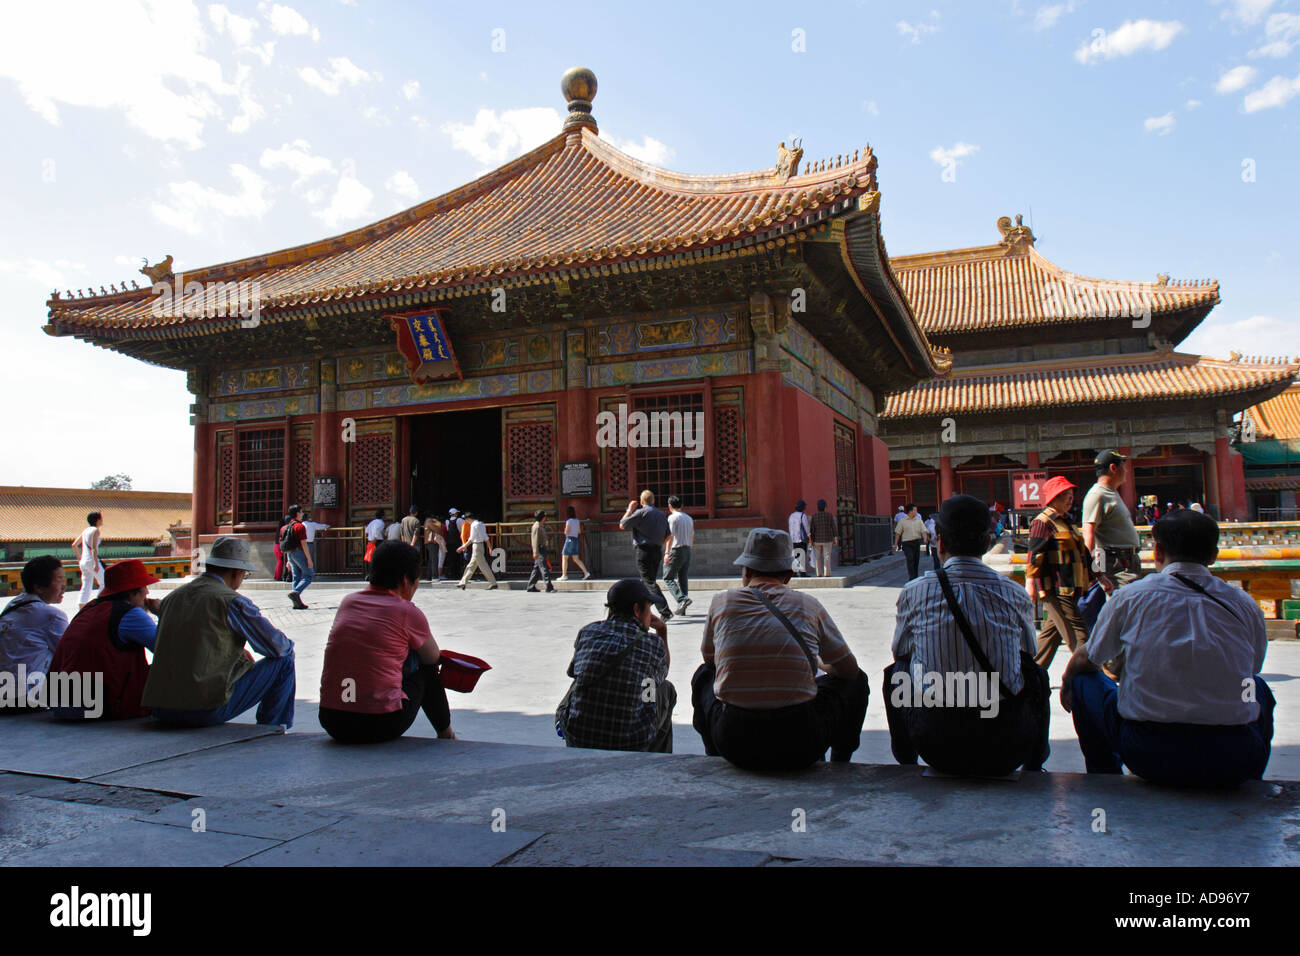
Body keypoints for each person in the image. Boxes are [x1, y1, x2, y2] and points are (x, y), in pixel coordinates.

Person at [1062, 509, 1272, 788]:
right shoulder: (1244, 604)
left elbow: (1089, 658)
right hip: (1233, 756)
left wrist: (1066, 681)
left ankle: (1105, 778)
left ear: (1157, 551)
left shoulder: (1131, 596)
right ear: (1213, 555)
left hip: (1148, 752)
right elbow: (1252, 666)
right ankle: (1253, 781)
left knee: (1084, 682)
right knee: (1259, 688)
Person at [885, 495, 1049, 776]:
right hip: (1006, 745)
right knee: (1037, 674)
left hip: (937, 744)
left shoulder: (915, 591)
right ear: (987, 543)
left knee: (896, 673)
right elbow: (1028, 654)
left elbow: (900, 652)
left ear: (940, 542)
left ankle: (907, 762)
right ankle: (1035, 764)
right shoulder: (1014, 593)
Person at [691, 528, 870, 771]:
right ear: (788, 575)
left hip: (734, 742)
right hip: (800, 744)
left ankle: (713, 753)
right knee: (858, 681)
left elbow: (710, 659)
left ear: (746, 571)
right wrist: (817, 662)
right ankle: (841, 761)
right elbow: (849, 671)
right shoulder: (809, 605)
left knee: (703, 675)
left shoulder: (721, 602)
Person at [142, 536, 296, 729]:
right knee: (284, 661)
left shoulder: (173, 597)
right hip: (202, 709)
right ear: (236, 572)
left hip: (161, 708)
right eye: (244, 574)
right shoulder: (232, 601)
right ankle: (272, 727)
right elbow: (277, 647)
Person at [318, 542, 456, 744]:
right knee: (427, 670)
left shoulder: (348, 602)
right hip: (380, 722)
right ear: (404, 580)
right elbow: (432, 656)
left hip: (333, 719)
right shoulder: (407, 611)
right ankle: (446, 734)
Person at [558, 579, 674, 752]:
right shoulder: (652, 643)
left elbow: (573, 671)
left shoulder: (588, 632)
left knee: (580, 681)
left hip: (578, 735)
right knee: (664, 689)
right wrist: (662, 632)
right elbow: (662, 672)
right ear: (637, 609)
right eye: (649, 608)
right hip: (630, 740)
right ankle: (656, 762)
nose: (650, 614)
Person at [48, 559, 160, 720]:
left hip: (61, 701)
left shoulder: (90, 607)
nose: (147, 593)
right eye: (144, 587)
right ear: (133, 591)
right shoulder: (131, 614)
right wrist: (163, 614)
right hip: (96, 704)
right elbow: (168, 649)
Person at [1025, 476, 1093, 668]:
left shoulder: (1067, 522)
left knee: (1051, 634)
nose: (1070, 500)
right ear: (1053, 497)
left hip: (1072, 587)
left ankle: (1030, 673)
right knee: (1079, 636)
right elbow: (1035, 555)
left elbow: (1084, 554)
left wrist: (1100, 575)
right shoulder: (1043, 522)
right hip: (1057, 588)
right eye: (1065, 495)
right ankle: (1094, 676)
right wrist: (1030, 583)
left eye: (1071, 496)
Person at [0, 556, 69, 710]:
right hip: (22, 697)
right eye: (59, 580)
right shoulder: (52, 615)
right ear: (39, 588)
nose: (64, 586)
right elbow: (69, 655)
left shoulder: (13, 604)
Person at [1083, 450, 1141, 596]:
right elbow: (1088, 534)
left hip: (1127, 561)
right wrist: (1093, 571)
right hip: (1114, 564)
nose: (1126, 470)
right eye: (1123, 466)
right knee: (1123, 608)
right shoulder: (1097, 494)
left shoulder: (1111, 492)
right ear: (1113, 468)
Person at [619, 491, 672, 620]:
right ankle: (642, 610)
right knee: (647, 582)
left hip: (643, 550)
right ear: (653, 501)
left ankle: (665, 611)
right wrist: (660, 543)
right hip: (656, 550)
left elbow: (622, 525)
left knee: (648, 582)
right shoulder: (661, 514)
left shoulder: (640, 513)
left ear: (642, 501)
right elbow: (669, 535)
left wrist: (629, 510)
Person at [662, 496, 694, 614]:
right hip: (687, 549)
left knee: (668, 578)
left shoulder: (672, 518)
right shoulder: (689, 518)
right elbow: (692, 535)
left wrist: (667, 552)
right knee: (683, 578)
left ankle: (682, 599)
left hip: (676, 550)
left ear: (670, 506)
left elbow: (670, 536)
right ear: (681, 505)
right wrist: (690, 548)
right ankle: (683, 608)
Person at [282, 504, 314, 610]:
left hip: (290, 553)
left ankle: (297, 602)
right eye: (301, 512)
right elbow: (304, 543)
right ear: (297, 514)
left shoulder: (288, 526)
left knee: (296, 576)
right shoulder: (300, 526)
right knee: (308, 575)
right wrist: (309, 559)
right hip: (299, 552)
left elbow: (287, 543)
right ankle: (295, 592)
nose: (302, 514)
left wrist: (288, 560)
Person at [455, 512, 498, 589]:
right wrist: (489, 547)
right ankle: (463, 582)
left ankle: (493, 583)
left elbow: (471, 538)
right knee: (471, 565)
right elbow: (486, 537)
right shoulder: (481, 524)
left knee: (483, 566)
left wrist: (463, 546)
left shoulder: (474, 525)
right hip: (480, 546)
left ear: (468, 519)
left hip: (476, 546)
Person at [71, 511, 105, 608]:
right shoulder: (95, 530)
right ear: (98, 520)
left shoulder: (85, 531)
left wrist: (79, 558)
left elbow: (74, 545)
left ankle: (81, 609)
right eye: (101, 518)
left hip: (83, 562)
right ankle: (98, 604)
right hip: (91, 560)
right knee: (105, 583)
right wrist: (95, 563)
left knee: (86, 586)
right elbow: (94, 548)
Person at [893, 503, 929, 581]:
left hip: (916, 542)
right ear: (910, 511)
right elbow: (898, 533)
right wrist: (895, 544)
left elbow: (923, 531)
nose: (916, 512)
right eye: (915, 510)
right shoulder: (903, 521)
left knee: (916, 560)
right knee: (910, 558)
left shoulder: (919, 520)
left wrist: (925, 538)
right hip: (906, 543)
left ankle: (915, 576)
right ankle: (911, 577)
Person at [556, 506, 591, 582]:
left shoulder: (569, 521)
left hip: (569, 539)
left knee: (564, 557)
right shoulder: (577, 521)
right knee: (576, 558)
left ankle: (564, 575)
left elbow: (566, 532)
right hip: (576, 539)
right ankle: (586, 572)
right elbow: (579, 532)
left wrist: (565, 530)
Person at [526, 510, 556, 593]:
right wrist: (535, 552)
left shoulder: (540, 525)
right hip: (539, 549)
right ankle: (549, 587)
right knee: (544, 568)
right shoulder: (537, 526)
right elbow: (534, 540)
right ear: (542, 517)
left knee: (536, 569)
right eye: (545, 516)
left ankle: (531, 586)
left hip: (542, 549)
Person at [808, 499, 838, 577]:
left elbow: (812, 530)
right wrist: (835, 538)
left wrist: (811, 540)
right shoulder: (829, 515)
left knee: (817, 557)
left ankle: (819, 573)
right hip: (828, 539)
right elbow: (833, 528)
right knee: (827, 556)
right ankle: (827, 573)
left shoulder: (814, 517)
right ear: (825, 507)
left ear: (817, 507)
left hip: (816, 540)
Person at [787, 500, 812, 576]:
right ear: (803, 507)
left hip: (793, 539)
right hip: (801, 539)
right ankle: (802, 573)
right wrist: (810, 538)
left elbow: (790, 527)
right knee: (802, 556)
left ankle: (794, 573)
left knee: (795, 556)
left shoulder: (791, 516)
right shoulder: (803, 516)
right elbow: (807, 528)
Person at [423, 513, 446, 581]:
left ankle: (429, 576)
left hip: (430, 542)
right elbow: (437, 529)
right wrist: (439, 526)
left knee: (431, 559)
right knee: (434, 559)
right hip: (431, 542)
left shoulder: (427, 521)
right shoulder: (429, 521)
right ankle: (435, 576)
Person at [364, 509, 386, 578]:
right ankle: (378, 574)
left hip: (370, 541)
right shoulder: (381, 523)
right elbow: (377, 531)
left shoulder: (372, 522)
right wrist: (375, 539)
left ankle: (369, 574)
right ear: (382, 516)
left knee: (370, 558)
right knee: (379, 558)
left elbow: (366, 531)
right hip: (377, 541)